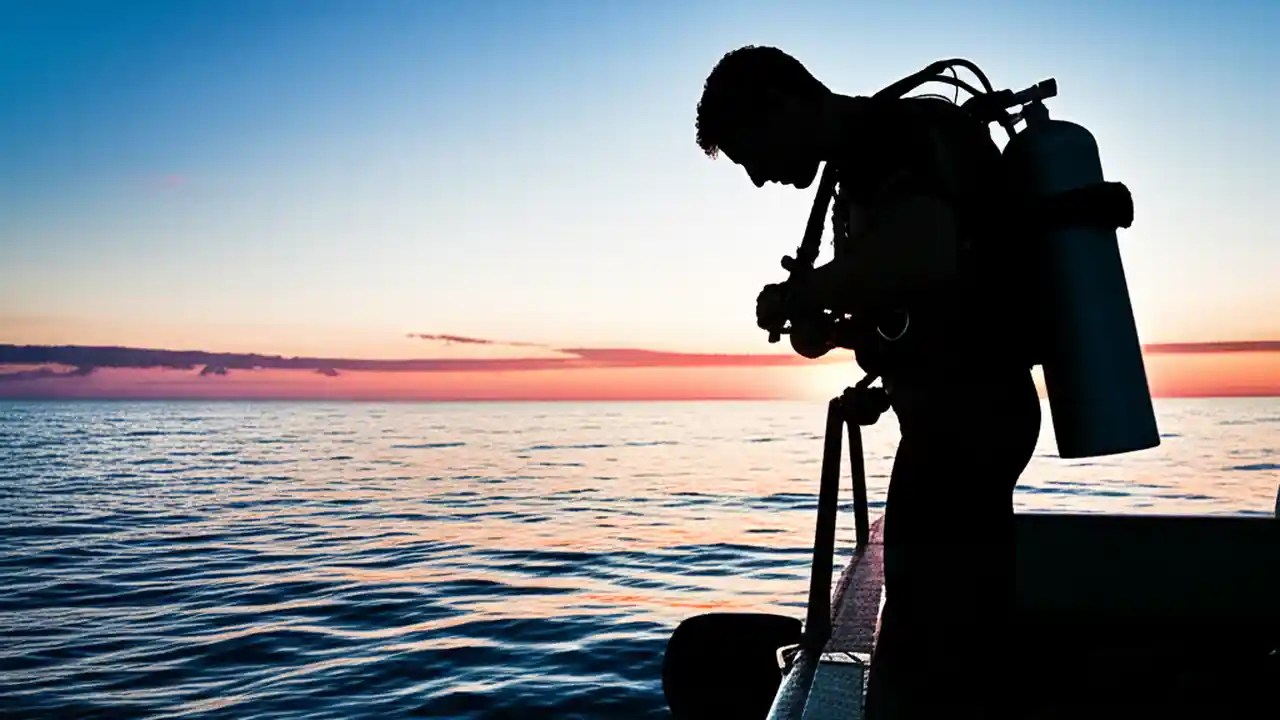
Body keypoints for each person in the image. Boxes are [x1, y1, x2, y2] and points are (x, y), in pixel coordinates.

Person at [695, 46, 1042, 718]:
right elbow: (910, 306)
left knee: (925, 635)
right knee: (959, 621)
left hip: (969, 416)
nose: (761, 179)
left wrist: (807, 293)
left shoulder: (890, 137)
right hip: (960, 413)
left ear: (783, 104)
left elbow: (929, 248)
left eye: (752, 154)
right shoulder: (857, 173)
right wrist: (833, 331)